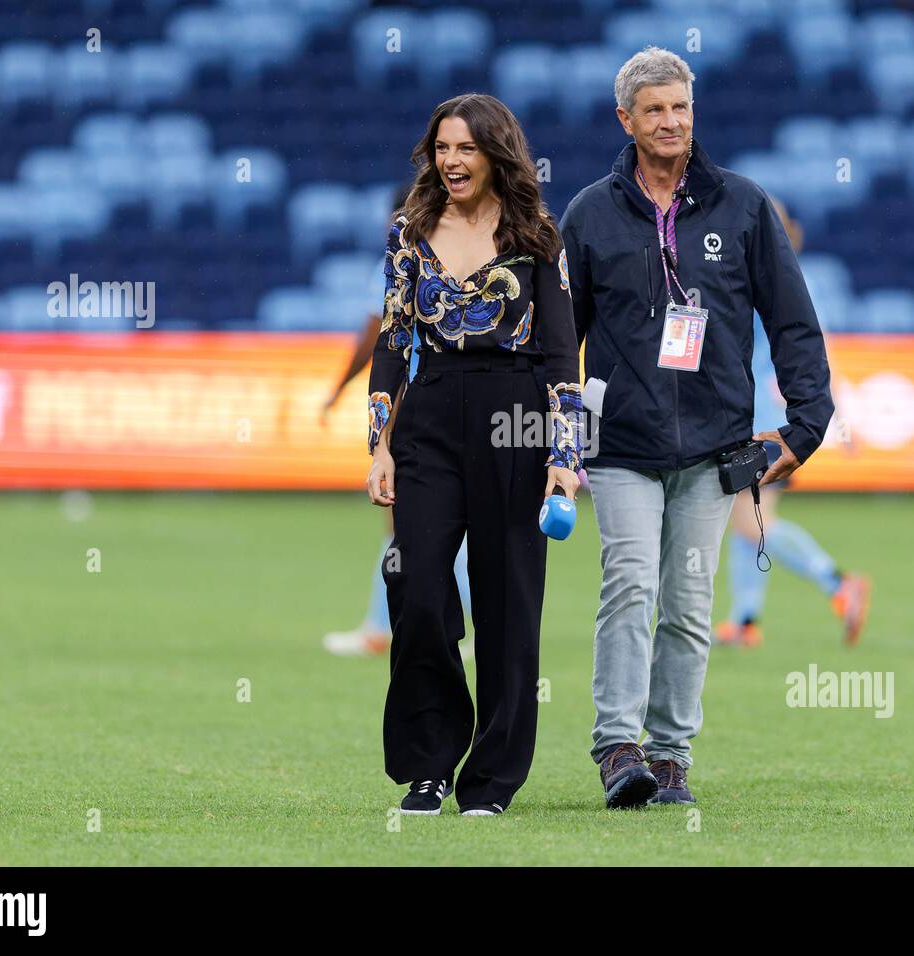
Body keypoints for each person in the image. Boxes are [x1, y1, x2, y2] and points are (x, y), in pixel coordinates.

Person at [561, 47, 833, 809]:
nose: (671, 121)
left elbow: (794, 325)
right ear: (627, 119)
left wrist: (804, 428)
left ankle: (670, 756)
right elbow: (559, 342)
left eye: (680, 107)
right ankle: (618, 748)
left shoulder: (747, 207)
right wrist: (560, 440)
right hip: (620, 447)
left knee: (686, 600)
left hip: (716, 449)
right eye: (655, 109)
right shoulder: (588, 214)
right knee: (630, 582)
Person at [366, 93, 582, 817]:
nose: (451, 161)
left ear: (496, 154)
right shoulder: (407, 231)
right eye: (441, 148)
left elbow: (560, 356)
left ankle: (490, 781)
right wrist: (380, 446)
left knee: (509, 606)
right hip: (430, 419)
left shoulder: (536, 234)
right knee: (419, 587)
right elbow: (394, 341)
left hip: (516, 419)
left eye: (465, 148)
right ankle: (429, 764)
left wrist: (564, 454)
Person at [318, 184, 474, 659]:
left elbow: (374, 338)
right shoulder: (465, 256)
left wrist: (339, 388)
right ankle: (393, 625)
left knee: (405, 524)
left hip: (414, 413)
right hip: (463, 407)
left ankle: (387, 628)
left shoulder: (398, 261)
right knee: (447, 522)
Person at [715, 198, 870, 650]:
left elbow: (814, 354)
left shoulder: (767, 279)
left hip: (763, 422)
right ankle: (745, 619)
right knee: (753, 518)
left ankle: (838, 583)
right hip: (757, 416)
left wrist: (835, 412)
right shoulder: (770, 277)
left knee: (747, 521)